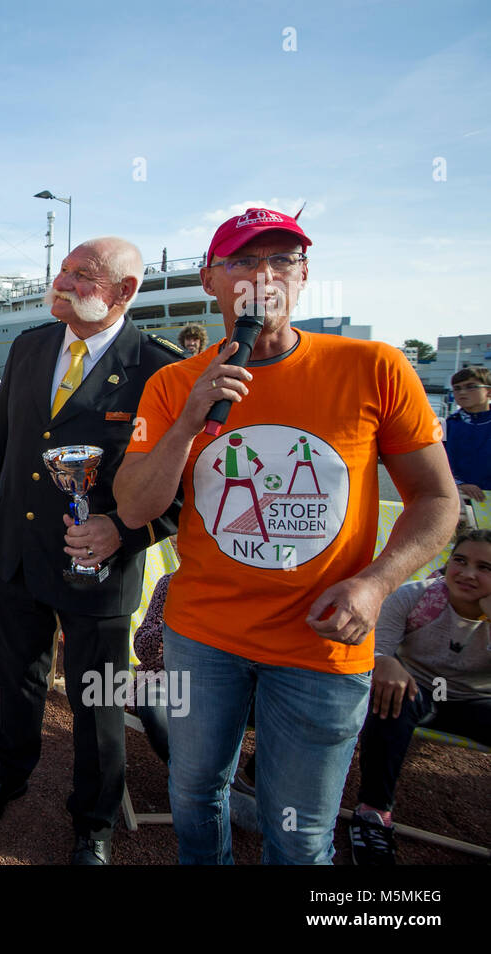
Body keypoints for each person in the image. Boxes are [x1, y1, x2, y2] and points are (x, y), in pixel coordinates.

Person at [114, 207, 459, 864]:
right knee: (192, 797)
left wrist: (377, 585)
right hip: (203, 638)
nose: (262, 277)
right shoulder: (171, 385)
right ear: (209, 280)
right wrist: (189, 419)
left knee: (299, 838)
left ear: (305, 278)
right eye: (242, 261)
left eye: (283, 261)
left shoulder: (375, 368)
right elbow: (134, 508)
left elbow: (438, 499)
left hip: (324, 646)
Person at [0, 236, 183, 864]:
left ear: (124, 292)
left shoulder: (158, 368)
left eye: (81, 275)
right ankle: (7, 778)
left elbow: (181, 483)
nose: (61, 282)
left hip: (100, 564)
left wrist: (128, 532)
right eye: (61, 270)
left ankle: (94, 821)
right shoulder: (30, 345)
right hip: (18, 549)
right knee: (19, 678)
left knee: (98, 698)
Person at [348, 529, 491, 864]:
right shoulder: (417, 597)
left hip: (475, 701)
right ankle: (373, 813)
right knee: (392, 699)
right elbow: (376, 644)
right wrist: (385, 661)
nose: (468, 573)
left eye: (485, 568)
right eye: (460, 560)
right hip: (418, 689)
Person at [444, 366, 491, 502]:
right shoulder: (447, 425)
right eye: (457, 388)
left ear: (488, 391)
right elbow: (436, 463)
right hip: (459, 497)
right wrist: (460, 483)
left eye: (471, 386)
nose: (462, 392)